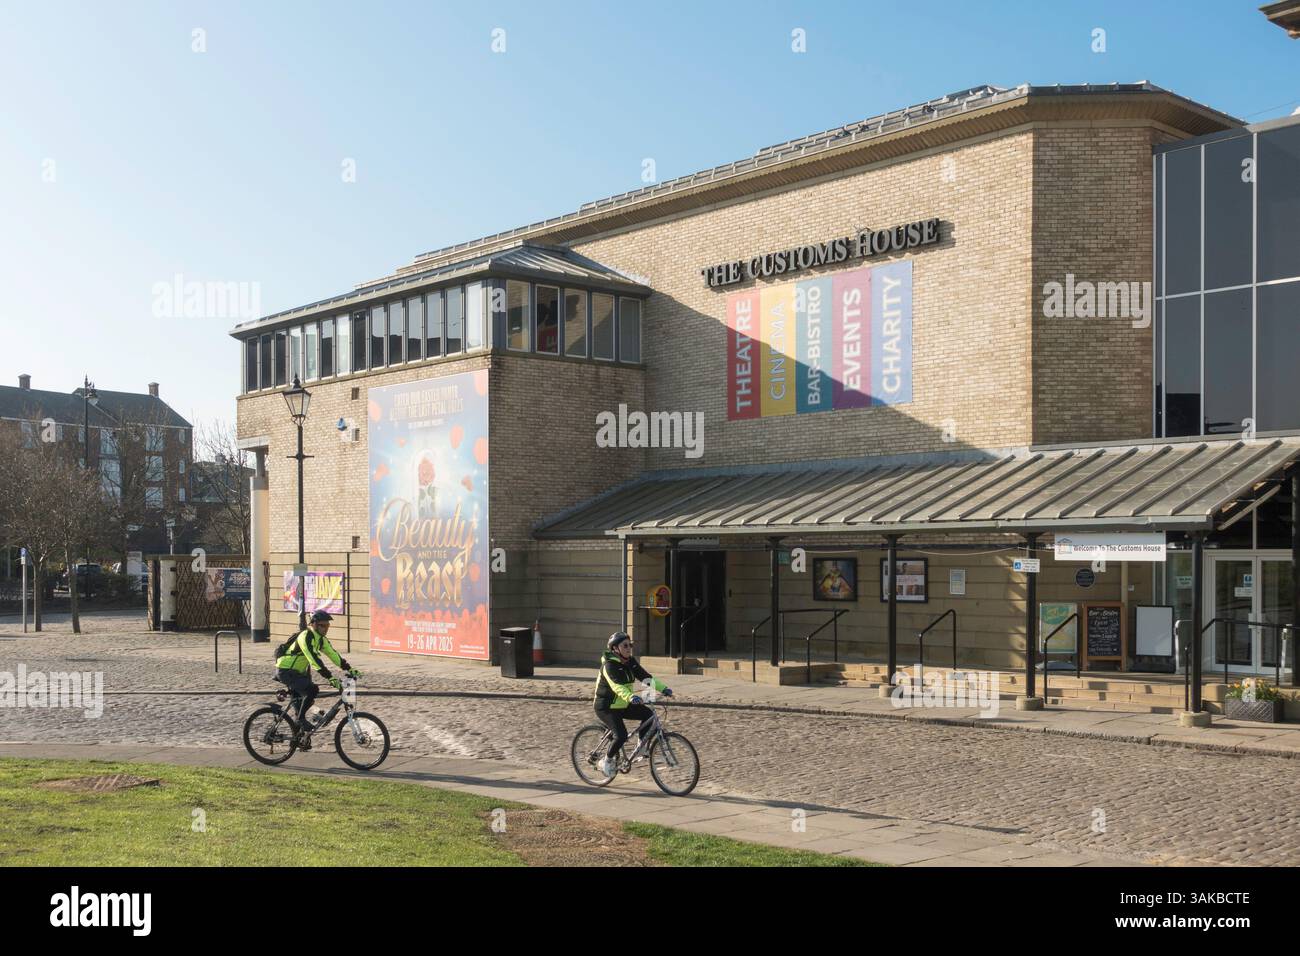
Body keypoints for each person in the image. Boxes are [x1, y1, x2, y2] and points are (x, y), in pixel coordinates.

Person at [592, 631, 671, 777]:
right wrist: (631, 697)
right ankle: (607, 760)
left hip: (623, 704)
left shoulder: (630, 662)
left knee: (649, 715)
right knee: (620, 735)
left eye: (630, 645)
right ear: (615, 649)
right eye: (625, 646)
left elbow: (646, 678)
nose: (629, 648)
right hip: (606, 706)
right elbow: (617, 686)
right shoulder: (609, 666)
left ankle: (641, 747)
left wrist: (663, 688)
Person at [275, 610, 359, 742]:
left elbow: (333, 655)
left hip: (298, 672)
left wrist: (349, 668)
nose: (325, 628)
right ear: (313, 624)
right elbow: (313, 658)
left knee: (303, 701)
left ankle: (298, 740)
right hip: (286, 671)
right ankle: (301, 719)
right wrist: (329, 677)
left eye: (327, 626)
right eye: (322, 625)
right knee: (312, 690)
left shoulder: (320, 639)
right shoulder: (306, 636)